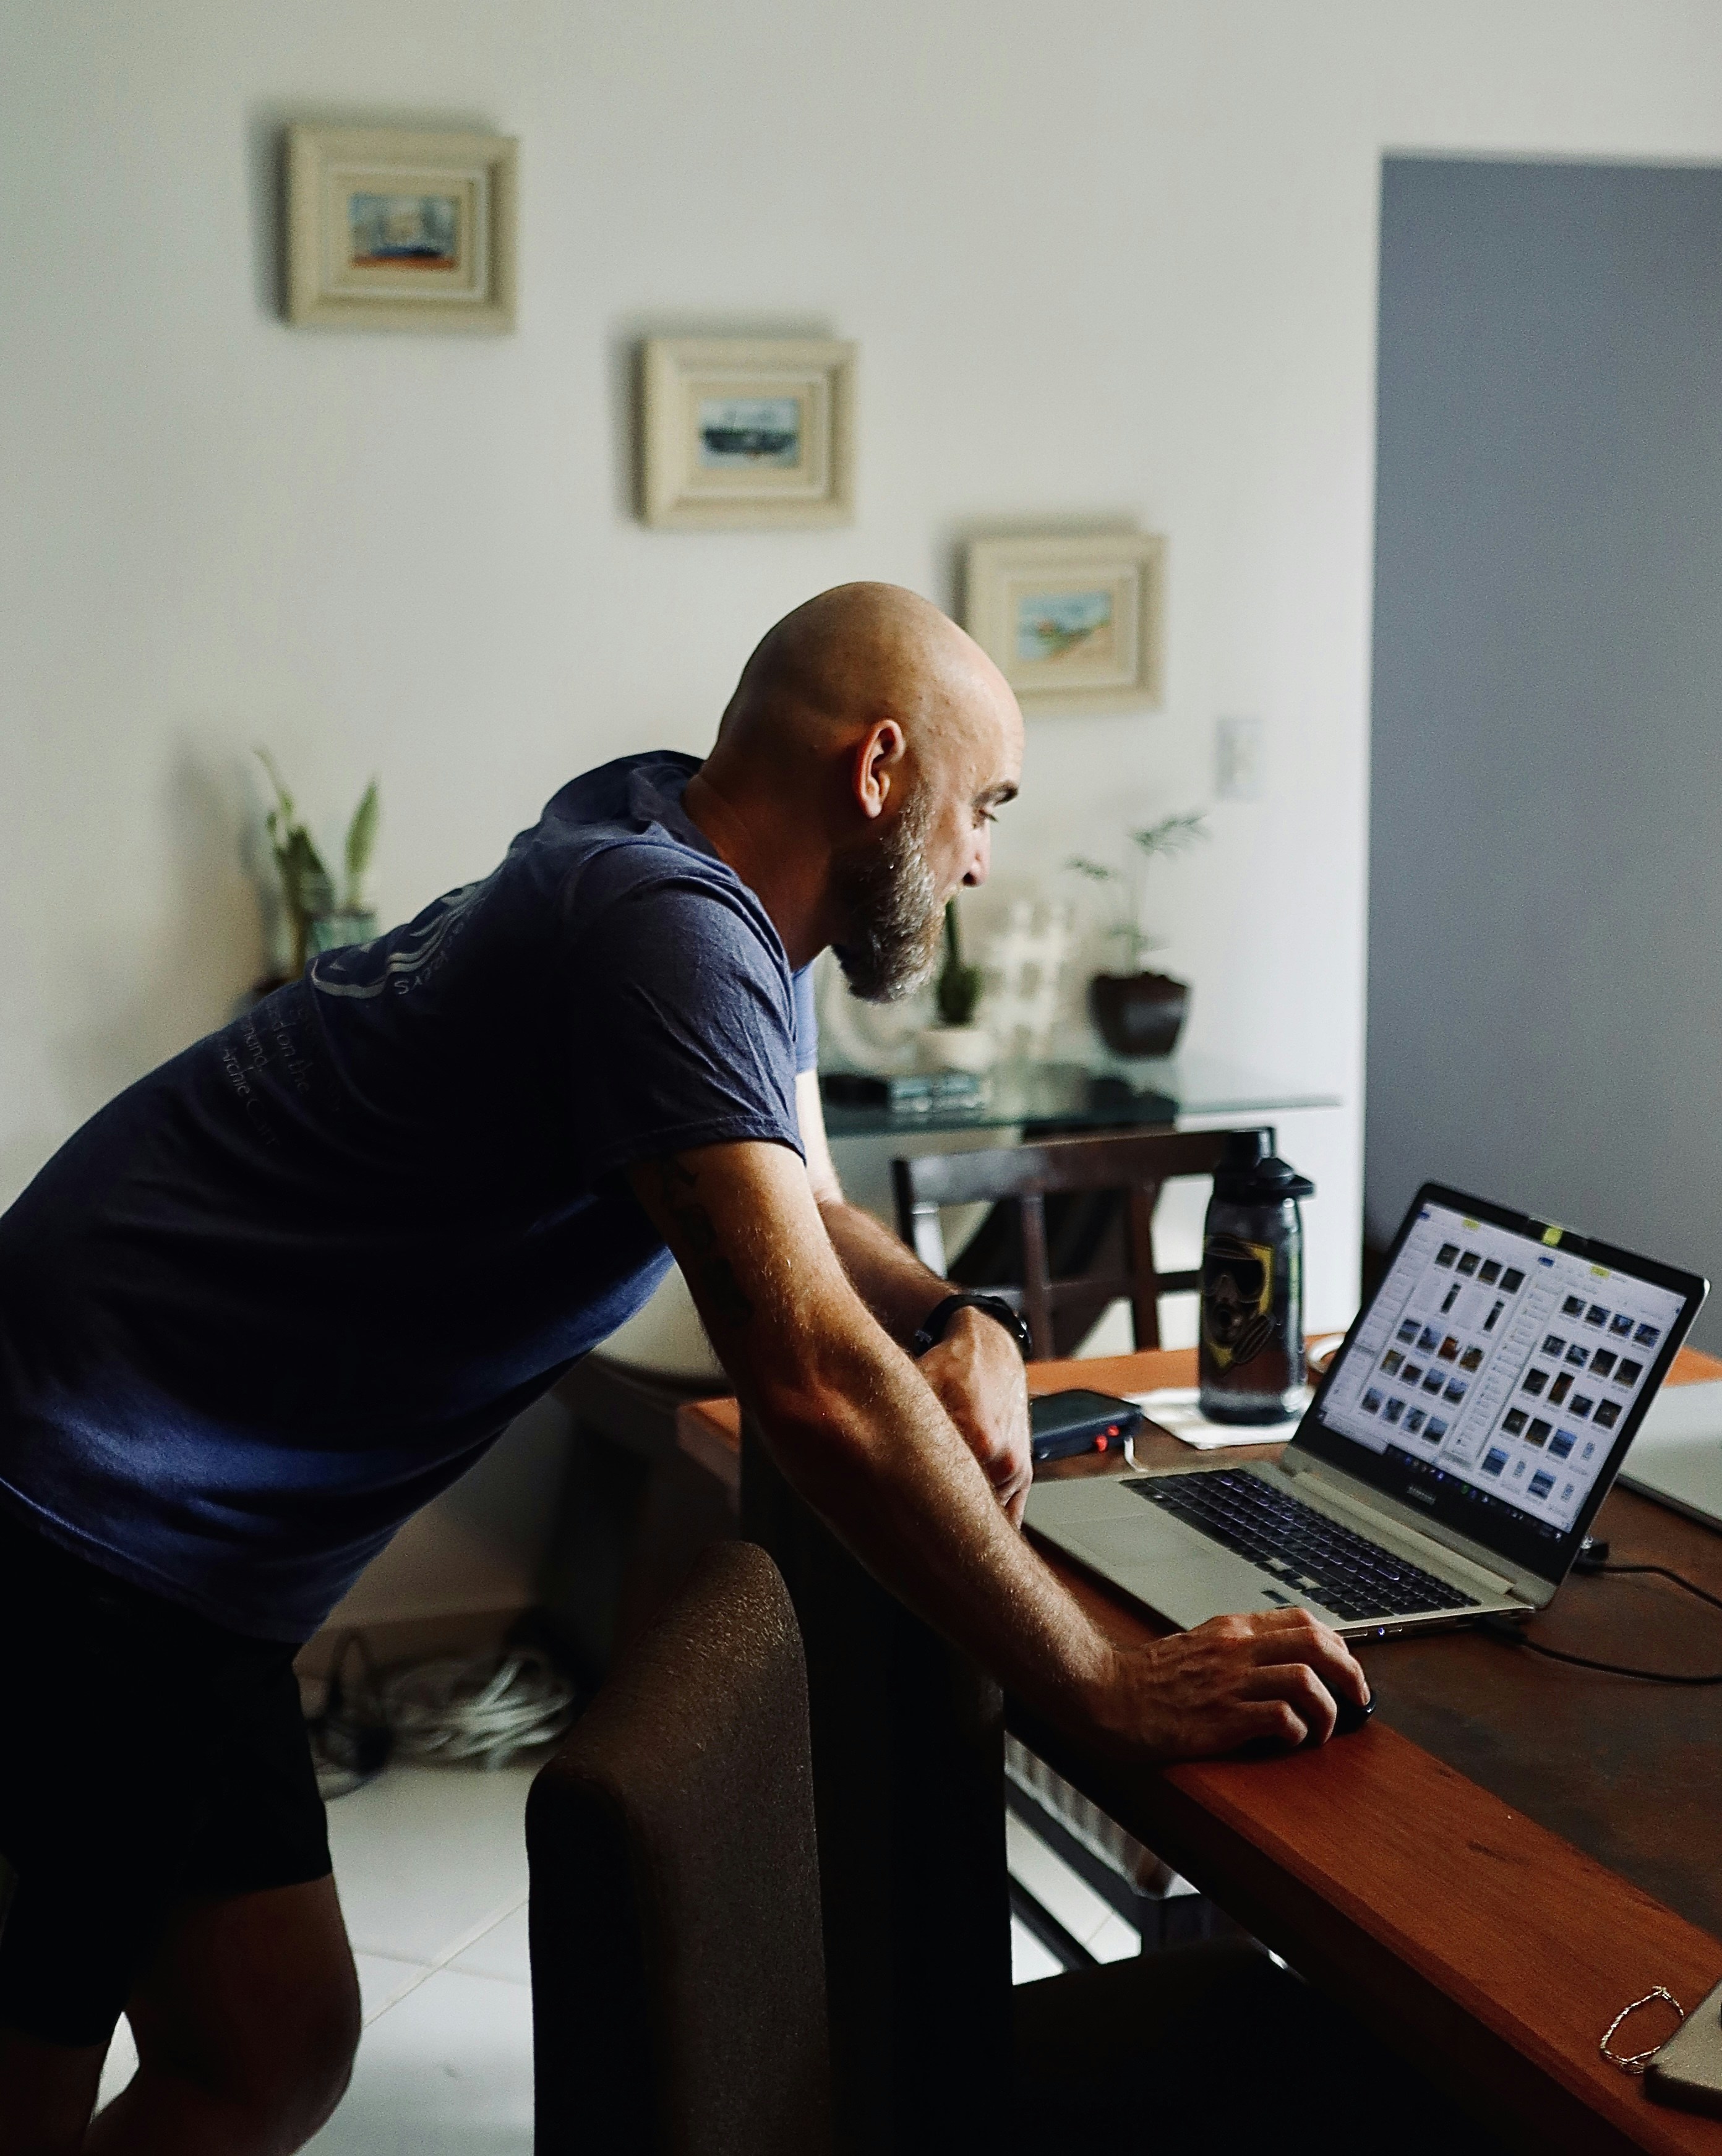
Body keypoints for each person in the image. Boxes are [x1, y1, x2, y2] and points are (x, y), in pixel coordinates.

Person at [0, 581, 1367, 2155]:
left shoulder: (691, 869)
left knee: (273, 2045)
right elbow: (810, 1379)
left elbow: (810, 1212)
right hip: (77, 1504)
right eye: (980, 809)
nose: (984, 859)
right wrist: (1104, 1685)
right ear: (879, 773)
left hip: (183, 1544)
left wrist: (957, 1316)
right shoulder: (669, 928)